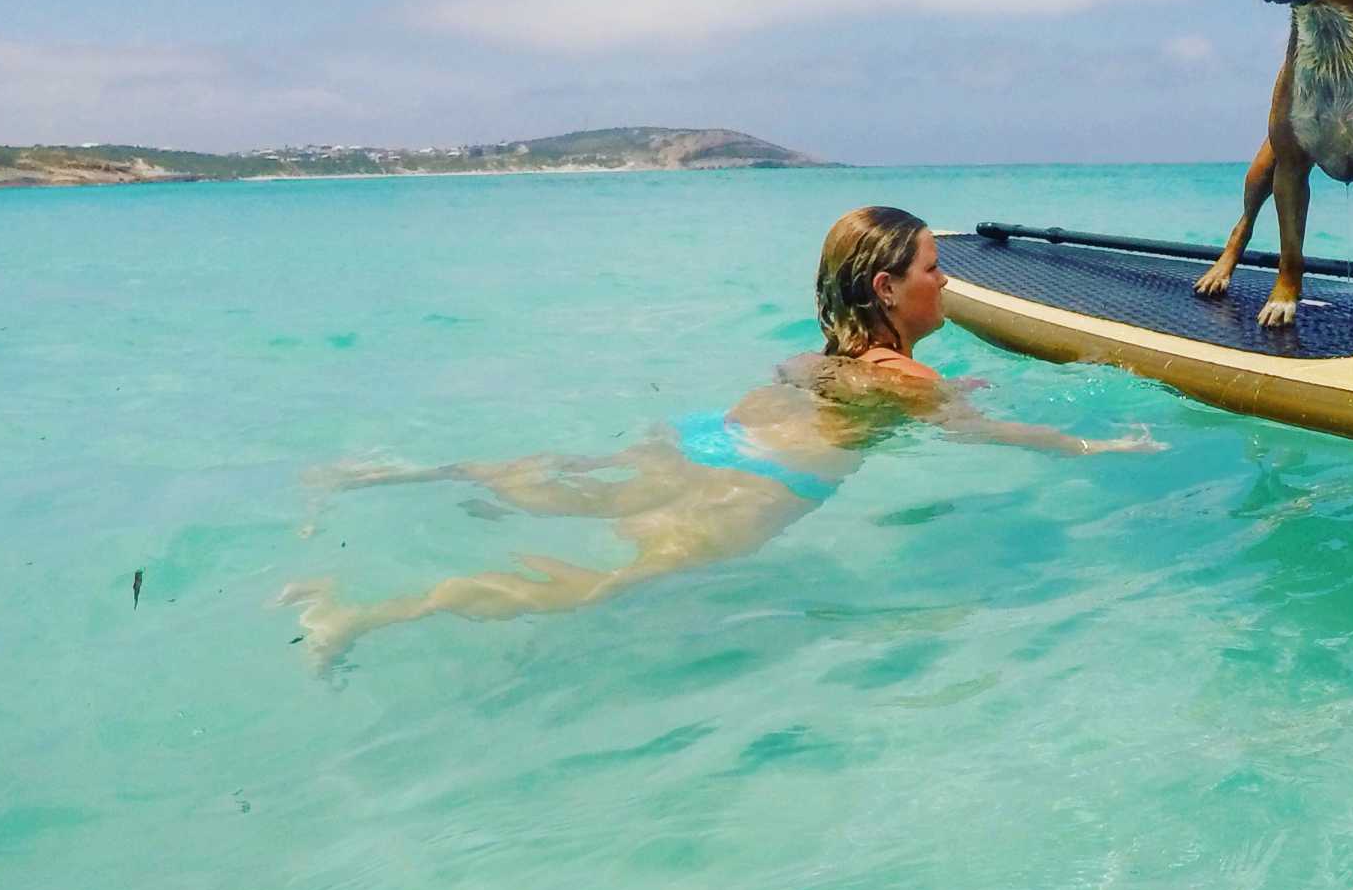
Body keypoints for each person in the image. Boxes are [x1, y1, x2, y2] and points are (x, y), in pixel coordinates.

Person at [278, 207, 1157, 667]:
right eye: (934, 268)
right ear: (889, 289)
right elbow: (987, 434)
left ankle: (370, 480)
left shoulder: (815, 357)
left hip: (707, 440)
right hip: (761, 488)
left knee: (564, 482)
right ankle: (354, 617)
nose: (947, 281)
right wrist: (1094, 449)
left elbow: (835, 400)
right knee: (601, 585)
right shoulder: (908, 378)